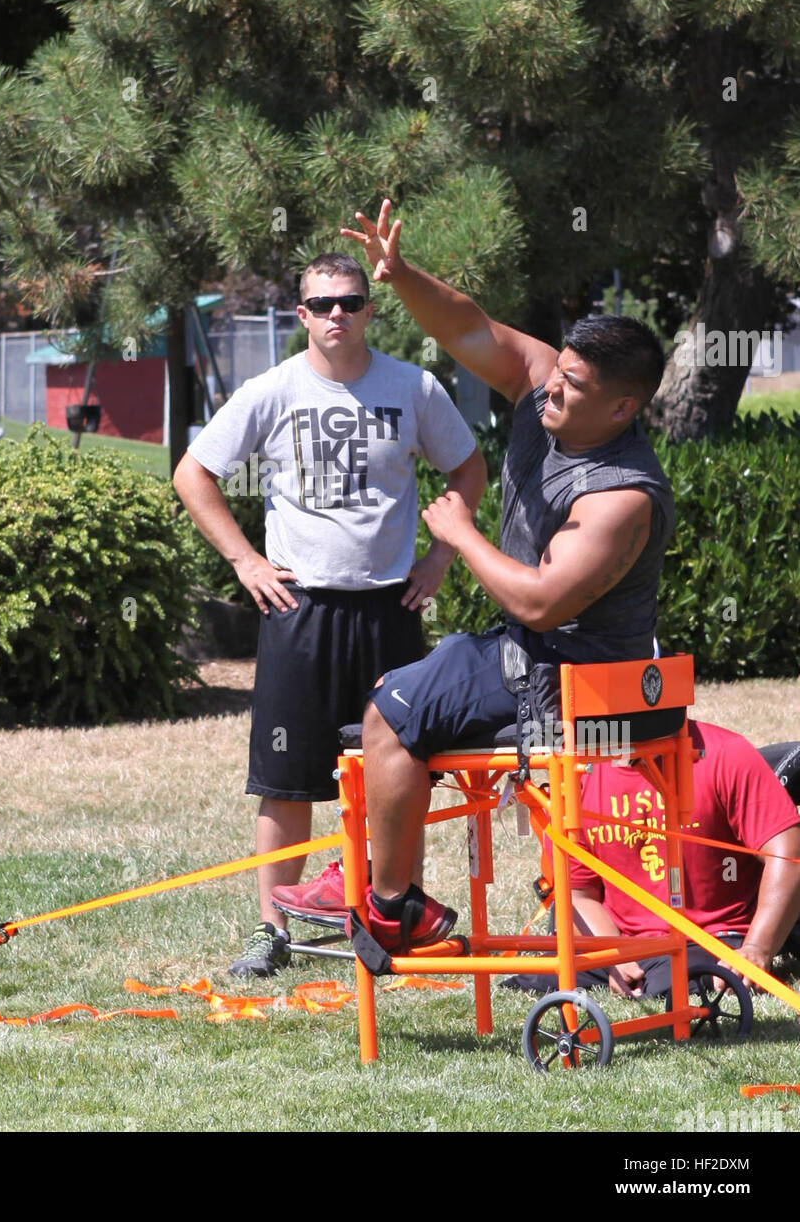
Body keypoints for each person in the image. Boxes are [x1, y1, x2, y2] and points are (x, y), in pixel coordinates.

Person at [338, 200, 674, 954]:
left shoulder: (619, 496)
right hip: (527, 653)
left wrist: (456, 533)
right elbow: (466, 328)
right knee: (410, 697)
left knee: (389, 714)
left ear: (621, 407)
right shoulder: (543, 384)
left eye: (573, 385)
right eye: (556, 371)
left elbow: (541, 602)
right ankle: (388, 882)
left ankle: (392, 908)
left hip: (573, 675)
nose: (551, 388)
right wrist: (400, 277)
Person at [172, 252, 487, 977]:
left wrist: (439, 559)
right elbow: (194, 473)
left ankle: (390, 911)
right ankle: (271, 929)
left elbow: (466, 468)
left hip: (389, 608)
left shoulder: (413, 388)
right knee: (285, 778)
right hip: (298, 608)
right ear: (300, 315)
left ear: (370, 309)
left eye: (349, 301)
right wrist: (245, 561)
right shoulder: (271, 390)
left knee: (399, 772)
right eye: (321, 304)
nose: (335, 315)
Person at [503, 719, 800, 997]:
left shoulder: (725, 753)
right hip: (625, 942)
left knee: (670, 979)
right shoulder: (579, 771)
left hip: (713, 939)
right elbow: (577, 893)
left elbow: (789, 855)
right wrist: (613, 954)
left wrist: (757, 948)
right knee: (532, 979)